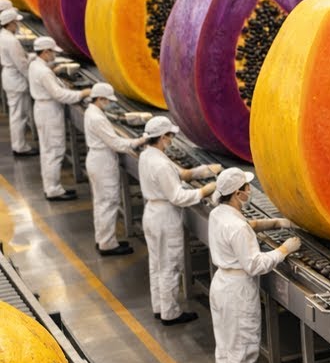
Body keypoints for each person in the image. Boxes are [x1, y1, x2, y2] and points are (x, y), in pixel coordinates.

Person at [208, 167, 301, 363]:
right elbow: (255, 264)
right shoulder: (238, 227)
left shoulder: (218, 213)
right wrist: (284, 250)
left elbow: (243, 227)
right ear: (238, 193)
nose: (250, 190)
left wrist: (274, 223)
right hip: (237, 291)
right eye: (247, 187)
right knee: (242, 350)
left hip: (221, 284)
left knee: (225, 349)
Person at [139, 116, 221, 325]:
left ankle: (160, 307)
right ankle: (170, 313)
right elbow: (177, 196)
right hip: (165, 217)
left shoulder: (148, 154)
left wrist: (202, 171)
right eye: (170, 136)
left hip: (152, 213)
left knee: (156, 263)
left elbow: (180, 174)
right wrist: (205, 190)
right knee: (170, 265)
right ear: (162, 137)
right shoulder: (161, 164)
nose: (172, 140)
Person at [83, 83, 148, 255]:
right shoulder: (97, 118)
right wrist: (138, 142)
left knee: (101, 202)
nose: (110, 104)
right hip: (102, 162)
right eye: (108, 100)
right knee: (108, 202)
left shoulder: (92, 111)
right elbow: (115, 143)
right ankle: (107, 245)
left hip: (97, 159)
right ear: (100, 99)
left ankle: (102, 240)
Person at [29, 36, 91, 200]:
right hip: (49, 112)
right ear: (45, 52)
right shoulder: (43, 72)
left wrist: (54, 74)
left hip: (42, 109)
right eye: (52, 52)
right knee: (55, 151)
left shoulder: (36, 65)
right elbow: (59, 95)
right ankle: (53, 190)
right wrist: (82, 94)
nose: (54, 56)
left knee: (47, 150)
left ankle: (50, 187)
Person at [0, 7, 36, 157]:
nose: (18, 25)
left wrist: (30, 57)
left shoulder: (3, 36)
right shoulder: (11, 41)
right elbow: (21, 65)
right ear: (10, 23)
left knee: (16, 114)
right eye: (16, 22)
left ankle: (19, 144)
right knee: (19, 116)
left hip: (10, 77)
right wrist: (33, 78)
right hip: (16, 81)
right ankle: (20, 146)